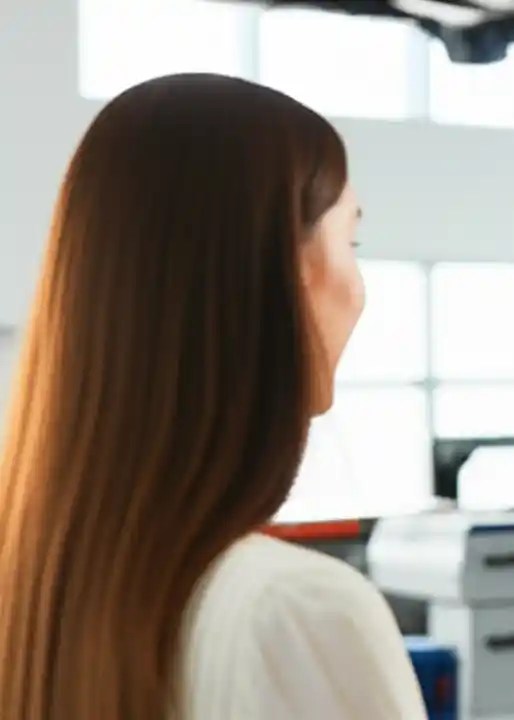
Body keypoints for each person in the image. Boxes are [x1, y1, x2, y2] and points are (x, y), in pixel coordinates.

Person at [0, 73, 427, 719]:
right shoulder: (291, 611)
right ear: (283, 272)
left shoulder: (30, 600)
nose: (360, 288)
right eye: (351, 241)